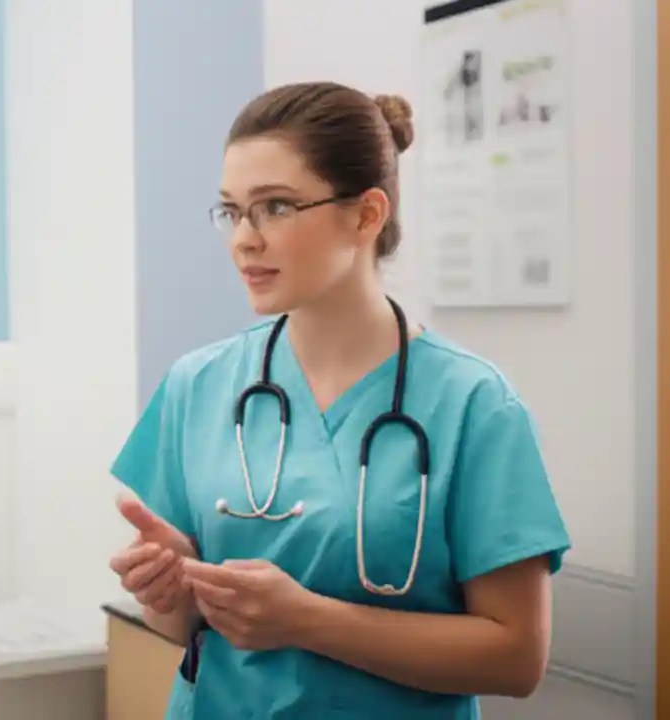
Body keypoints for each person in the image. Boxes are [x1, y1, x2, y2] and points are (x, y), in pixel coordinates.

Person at [107, 82, 570, 719]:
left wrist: (306, 620)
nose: (244, 239)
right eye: (232, 211)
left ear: (366, 215)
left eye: (275, 207)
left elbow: (516, 659)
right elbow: (175, 626)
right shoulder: (199, 385)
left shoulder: (475, 405)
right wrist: (168, 589)